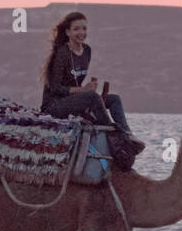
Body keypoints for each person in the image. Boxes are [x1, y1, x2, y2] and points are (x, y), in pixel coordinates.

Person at [40, 12, 145, 155]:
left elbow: (75, 80)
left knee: (114, 99)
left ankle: (127, 133)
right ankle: (115, 137)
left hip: (74, 100)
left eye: (84, 29)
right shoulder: (62, 53)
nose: (81, 32)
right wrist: (83, 90)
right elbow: (56, 88)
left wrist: (86, 89)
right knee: (92, 97)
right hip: (54, 106)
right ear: (68, 32)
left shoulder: (87, 51)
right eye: (76, 29)